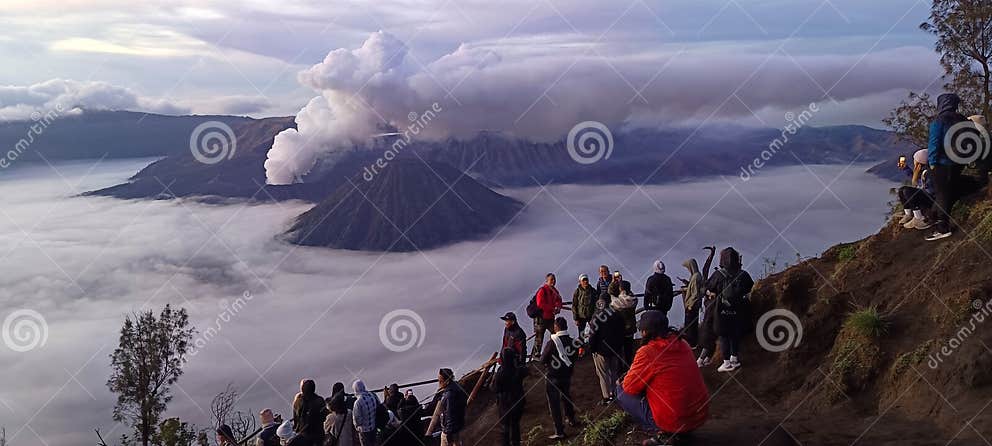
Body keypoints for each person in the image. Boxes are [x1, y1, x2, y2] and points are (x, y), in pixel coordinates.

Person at [616, 311, 709, 446]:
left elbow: (629, 388)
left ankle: (663, 432)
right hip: (698, 415)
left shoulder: (647, 352)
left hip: (676, 420)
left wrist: (624, 380)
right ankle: (680, 431)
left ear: (645, 332)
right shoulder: (682, 342)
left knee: (620, 391)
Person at [925, 93, 969, 241]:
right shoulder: (963, 119)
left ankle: (942, 227)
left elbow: (934, 143)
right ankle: (933, 217)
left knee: (942, 193)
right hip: (959, 163)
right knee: (947, 191)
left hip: (942, 163)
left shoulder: (939, 120)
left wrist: (931, 162)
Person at [705, 247, 754, 372]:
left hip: (722, 310)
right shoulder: (743, 274)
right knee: (735, 333)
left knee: (723, 334)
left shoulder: (718, 274)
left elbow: (709, 287)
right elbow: (750, 287)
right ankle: (734, 359)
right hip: (739, 310)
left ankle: (726, 363)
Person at [540, 317, 579, 440]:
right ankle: (571, 419)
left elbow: (542, 359)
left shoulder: (552, 342)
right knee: (567, 397)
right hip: (566, 374)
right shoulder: (572, 341)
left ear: (556, 327)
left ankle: (559, 430)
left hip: (553, 376)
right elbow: (574, 357)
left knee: (554, 404)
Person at [587, 298, 625, 406]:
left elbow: (592, 336)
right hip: (614, 350)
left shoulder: (596, 317)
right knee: (614, 373)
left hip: (600, 351)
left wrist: (592, 349)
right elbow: (622, 332)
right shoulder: (617, 315)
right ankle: (616, 394)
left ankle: (607, 397)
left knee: (603, 374)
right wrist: (618, 347)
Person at [493, 347, 526, 446]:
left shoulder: (500, 373)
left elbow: (494, 388)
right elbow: (526, 371)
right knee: (515, 425)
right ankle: (516, 443)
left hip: (505, 402)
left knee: (505, 427)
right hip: (518, 400)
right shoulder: (519, 370)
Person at [897, 149, 935, 230]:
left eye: (915, 160)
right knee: (902, 190)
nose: (914, 161)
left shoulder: (929, 172)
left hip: (932, 199)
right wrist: (905, 168)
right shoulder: (923, 171)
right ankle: (908, 214)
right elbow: (917, 179)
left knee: (908, 191)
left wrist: (921, 188)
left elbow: (930, 190)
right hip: (927, 195)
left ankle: (919, 218)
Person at [608, 271, 637, 370]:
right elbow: (630, 294)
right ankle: (629, 368)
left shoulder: (616, 302)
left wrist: (613, 282)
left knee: (619, 351)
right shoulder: (634, 300)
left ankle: (620, 370)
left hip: (620, 330)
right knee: (629, 350)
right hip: (630, 329)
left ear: (620, 289)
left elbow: (610, 294)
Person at [694, 247, 718, 366]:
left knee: (707, 332)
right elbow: (706, 268)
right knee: (710, 332)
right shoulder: (705, 280)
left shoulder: (705, 281)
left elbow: (705, 268)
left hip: (711, 309)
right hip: (710, 308)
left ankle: (702, 359)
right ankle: (707, 357)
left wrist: (711, 255)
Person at [531, 273, 563, 359]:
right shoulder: (542, 290)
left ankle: (552, 351)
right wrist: (553, 308)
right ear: (547, 281)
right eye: (551, 279)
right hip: (541, 318)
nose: (553, 281)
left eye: (554, 279)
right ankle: (536, 355)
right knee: (539, 336)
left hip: (550, 317)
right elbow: (540, 304)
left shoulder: (555, 291)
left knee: (555, 334)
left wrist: (558, 307)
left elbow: (559, 300)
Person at [294, 379, 329, 446]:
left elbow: (296, 419)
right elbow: (324, 417)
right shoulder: (319, 401)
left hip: (303, 436)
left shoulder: (298, 402)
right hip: (318, 436)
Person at [437, 368, 467, 446]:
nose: (439, 383)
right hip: (456, 429)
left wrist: (448, 432)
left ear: (446, 380)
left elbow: (450, 414)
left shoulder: (450, 394)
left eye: (440, 380)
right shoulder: (455, 388)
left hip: (449, 431)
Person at [679, 258, 704, 348]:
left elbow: (695, 293)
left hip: (692, 305)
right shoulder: (696, 276)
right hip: (694, 305)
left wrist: (690, 305)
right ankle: (693, 343)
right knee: (691, 325)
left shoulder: (696, 277)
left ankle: (691, 344)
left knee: (690, 326)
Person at [351, 380, 378, 446]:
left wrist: (357, 427)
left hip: (364, 431)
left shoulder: (358, 402)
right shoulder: (372, 395)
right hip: (373, 427)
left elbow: (357, 420)